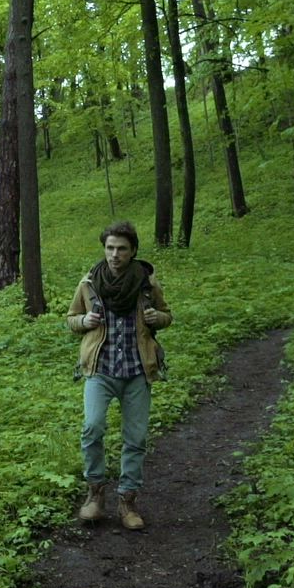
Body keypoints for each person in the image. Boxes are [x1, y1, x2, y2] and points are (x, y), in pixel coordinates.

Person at [67, 221, 172, 530]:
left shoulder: (147, 284)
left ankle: (127, 501)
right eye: (110, 248)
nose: (114, 254)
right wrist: (84, 320)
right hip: (100, 370)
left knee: (135, 438)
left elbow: (167, 315)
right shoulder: (89, 283)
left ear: (133, 251)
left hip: (137, 371)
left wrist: (158, 317)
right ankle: (95, 494)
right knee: (92, 427)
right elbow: (71, 318)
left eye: (121, 249)